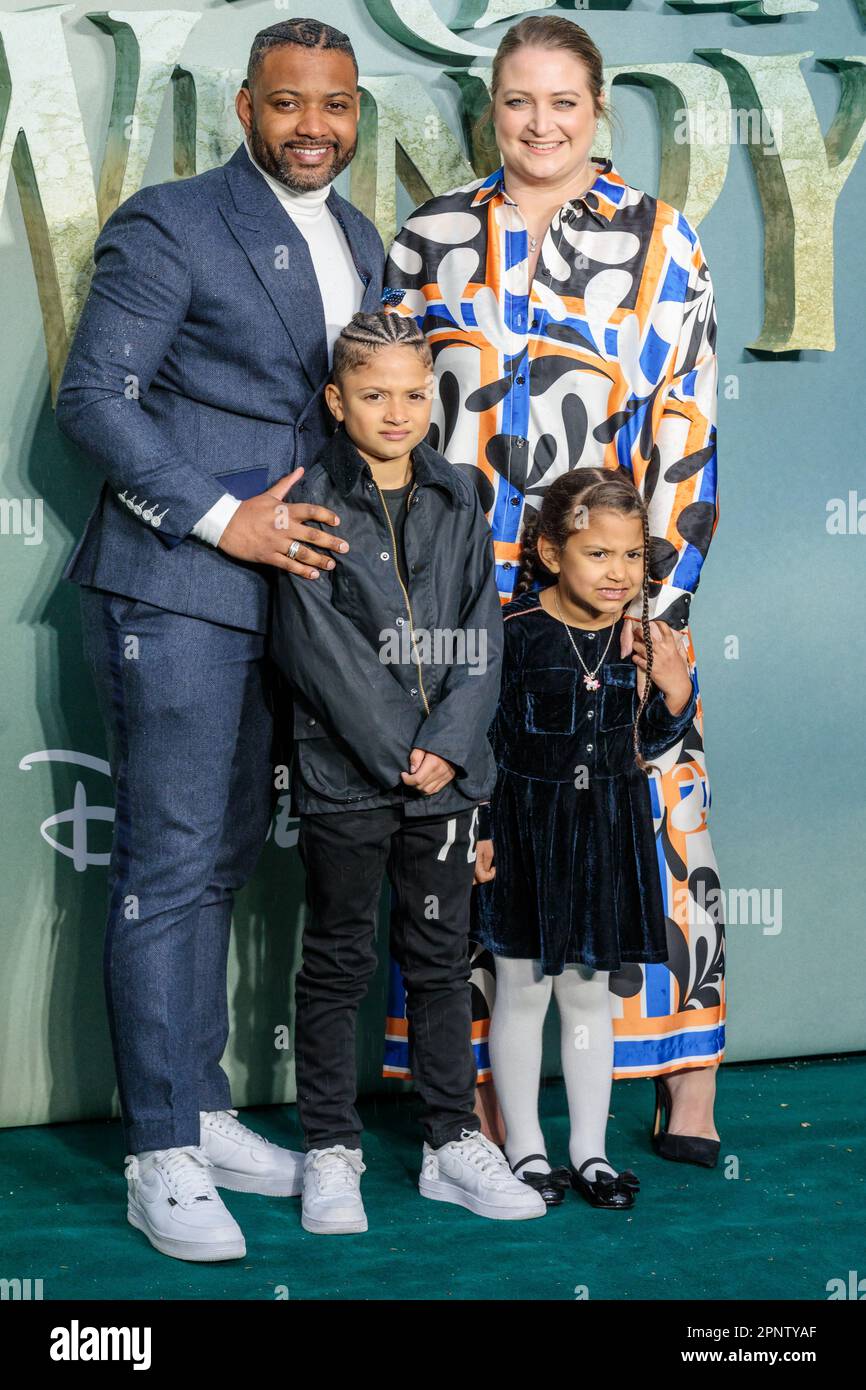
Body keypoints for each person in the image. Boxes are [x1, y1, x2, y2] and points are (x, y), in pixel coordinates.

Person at [54, 18, 385, 1262]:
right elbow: (93, 395)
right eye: (290, 104)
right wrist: (218, 517)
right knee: (170, 862)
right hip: (176, 585)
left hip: (294, 601)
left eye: (337, 106)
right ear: (246, 107)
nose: (315, 127)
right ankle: (157, 1155)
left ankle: (198, 1102)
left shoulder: (359, 238)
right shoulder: (171, 218)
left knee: (225, 857)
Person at [382, 13, 723, 1161]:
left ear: (597, 111)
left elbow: (686, 429)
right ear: (492, 109)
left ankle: (685, 1075)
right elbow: (388, 415)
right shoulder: (427, 236)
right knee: (486, 828)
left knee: (653, 819)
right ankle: (487, 1084)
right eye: (518, 102)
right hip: (462, 599)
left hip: (607, 591)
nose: (540, 124)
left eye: (563, 103)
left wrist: (657, 608)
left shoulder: (662, 239)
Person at [270, 310, 547, 1232]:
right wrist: (403, 751)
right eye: (375, 394)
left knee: (438, 962)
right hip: (348, 779)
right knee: (339, 960)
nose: (397, 411)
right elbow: (316, 647)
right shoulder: (307, 496)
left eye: (414, 393)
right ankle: (332, 1150)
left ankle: (448, 1143)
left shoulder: (464, 493)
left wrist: (454, 743)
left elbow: (482, 628)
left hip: (451, 783)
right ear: (336, 400)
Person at [473, 468, 697, 1208]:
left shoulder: (646, 639)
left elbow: (651, 745)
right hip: (525, 831)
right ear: (547, 550)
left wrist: (675, 693)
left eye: (631, 556)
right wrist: (478, 830)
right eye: (598, 554)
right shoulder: (510, 634)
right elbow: (480, 741)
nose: (618, 572)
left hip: (608, 830)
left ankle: (590, 1152)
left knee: (588, 996)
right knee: (521, 988)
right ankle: (527, 1148)